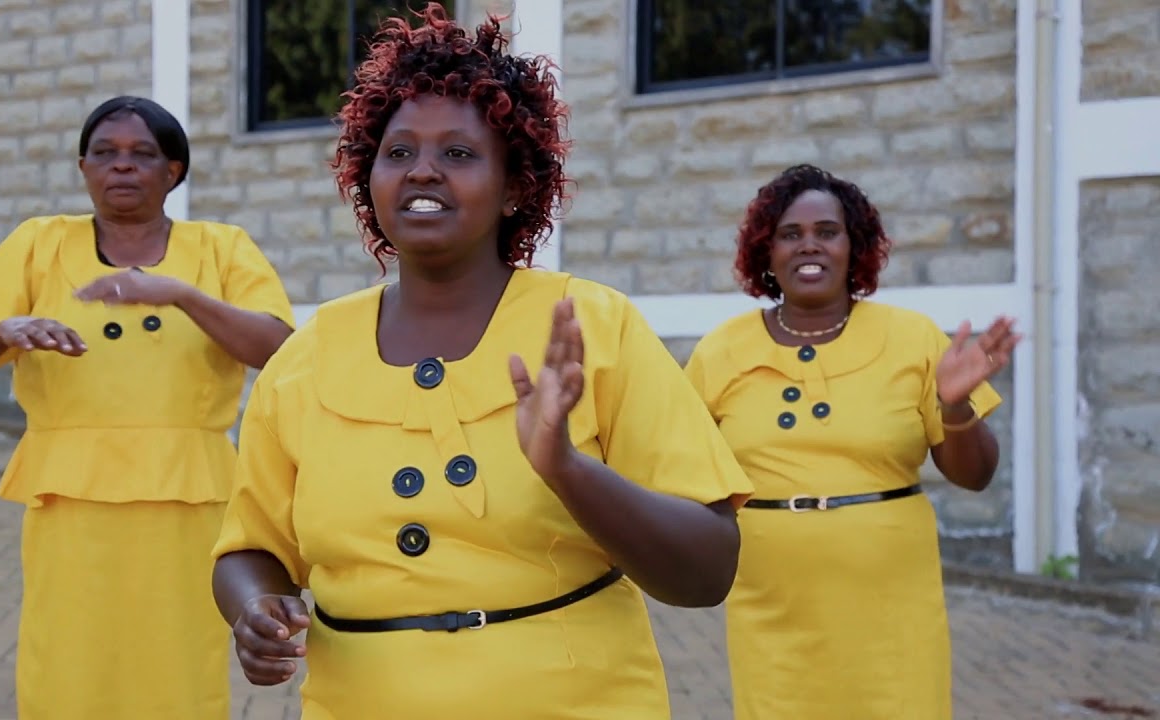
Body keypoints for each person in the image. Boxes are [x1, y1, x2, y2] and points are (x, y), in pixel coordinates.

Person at [210, 6, 753, 718]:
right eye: (397, 152)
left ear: (517, 187)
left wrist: (567, 470)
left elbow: (706, 570)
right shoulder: (306, 357)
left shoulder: (594, 325)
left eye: (459, 154)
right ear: (366, 178)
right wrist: (256, 609)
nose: (422, 171)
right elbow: (250, 548)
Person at [0, 96, 295, 720]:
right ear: (82, 167)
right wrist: (3, 333)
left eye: (141, 155)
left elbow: (278, 349)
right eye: (104, 153)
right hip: (70, 498)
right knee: (68, 661)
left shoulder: (220, 248)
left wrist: (180, 294)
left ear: (173, 170)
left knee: (178, 662)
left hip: (188, 497)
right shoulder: (39, 243)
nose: (121, 167)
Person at [684, 164, 1021, 719]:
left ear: (854, 245)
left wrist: (955, 405)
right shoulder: (720, 352)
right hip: (772, 609)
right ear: (765, 253)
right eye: (790, 234)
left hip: (893, 610)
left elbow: (976, 474)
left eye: (827, 231)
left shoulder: (912, 338)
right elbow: (689, 478)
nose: (808, 245)